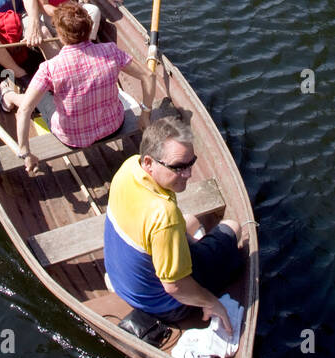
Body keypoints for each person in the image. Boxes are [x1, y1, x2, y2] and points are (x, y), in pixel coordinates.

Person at [103, 115, 244, 336]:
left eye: (191, 163)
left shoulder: (129, 166)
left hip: (124, 285)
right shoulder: (164, 216)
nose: (188, 174)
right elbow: (175, 287)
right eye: (179, 167)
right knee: (232, 227)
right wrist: (211, 302)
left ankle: (190, 250)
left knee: (192, 220)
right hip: (168, 305)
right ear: (149, 162)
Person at [6, 0, 155, 173]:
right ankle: (10, 95)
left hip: (72, 138)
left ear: (60, 35)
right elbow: (148, 75)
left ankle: (8, 95)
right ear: (90, 28)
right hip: (113, 126)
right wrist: (145, 114)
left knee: (41, 97)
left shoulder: (50, 67)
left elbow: (24, 111)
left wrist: (26, 153)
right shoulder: (111, 51)